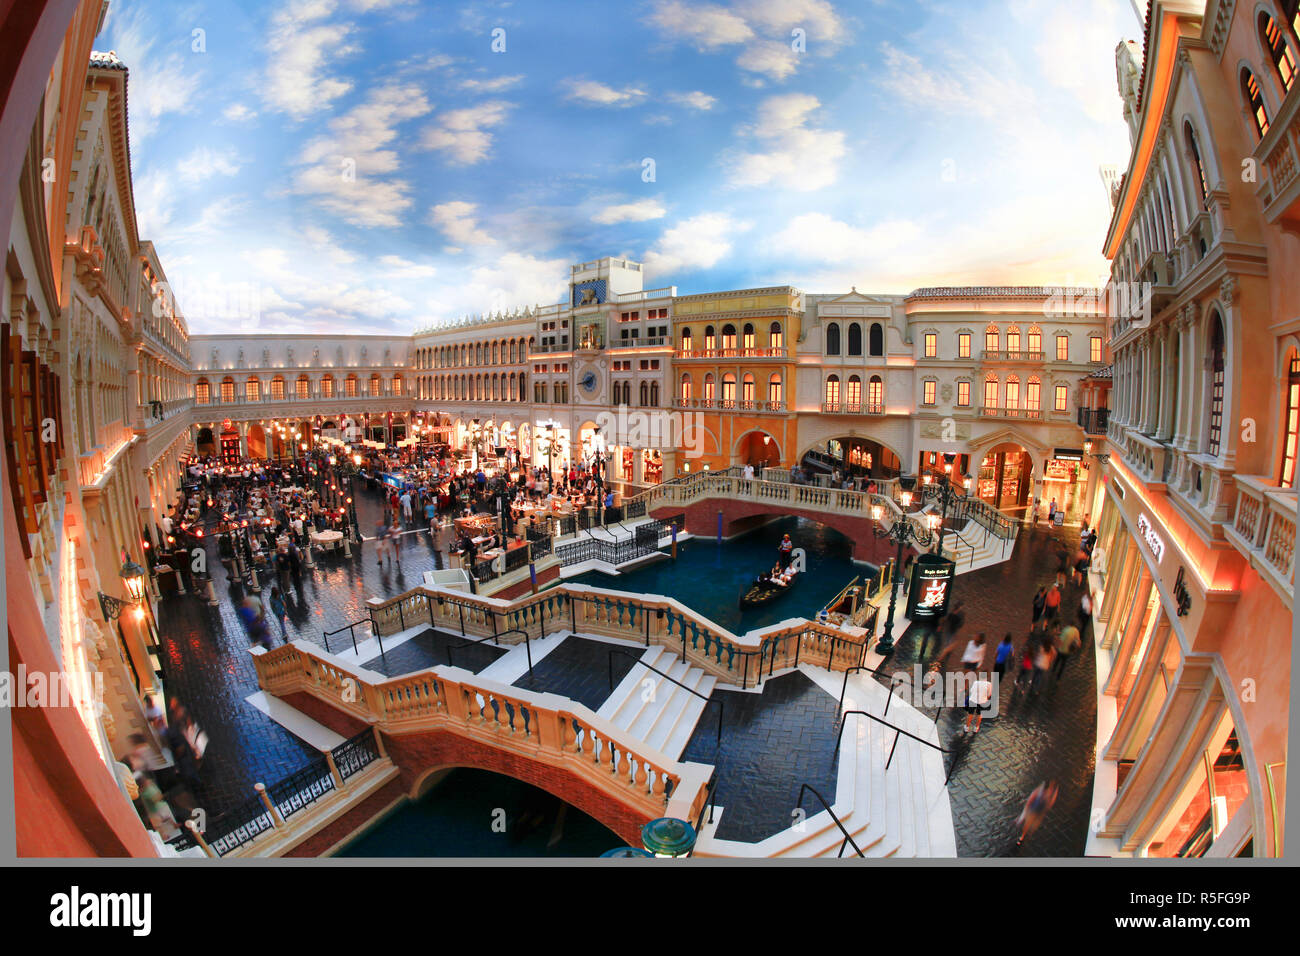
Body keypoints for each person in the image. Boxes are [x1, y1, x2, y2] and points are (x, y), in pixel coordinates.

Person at [1016, 780, 1059, 847]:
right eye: (1050, 787)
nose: (1050, 790)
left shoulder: (1048, 795)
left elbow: (1049, 804)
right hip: (1033, 811)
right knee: (1027, 825)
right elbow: (1031, 799)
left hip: (1038, 813)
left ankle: (1025, 834)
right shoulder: (1040, 792)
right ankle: (1022, 836)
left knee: (1032, 827)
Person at [963, 667, 993, 734]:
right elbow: (989, 694)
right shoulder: (989, 684)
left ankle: (967, 727)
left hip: (973, 700)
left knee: (970, 714)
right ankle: (976, 728)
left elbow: (971, 691)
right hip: (982, 701)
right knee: (979, 714)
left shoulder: (976, 682)